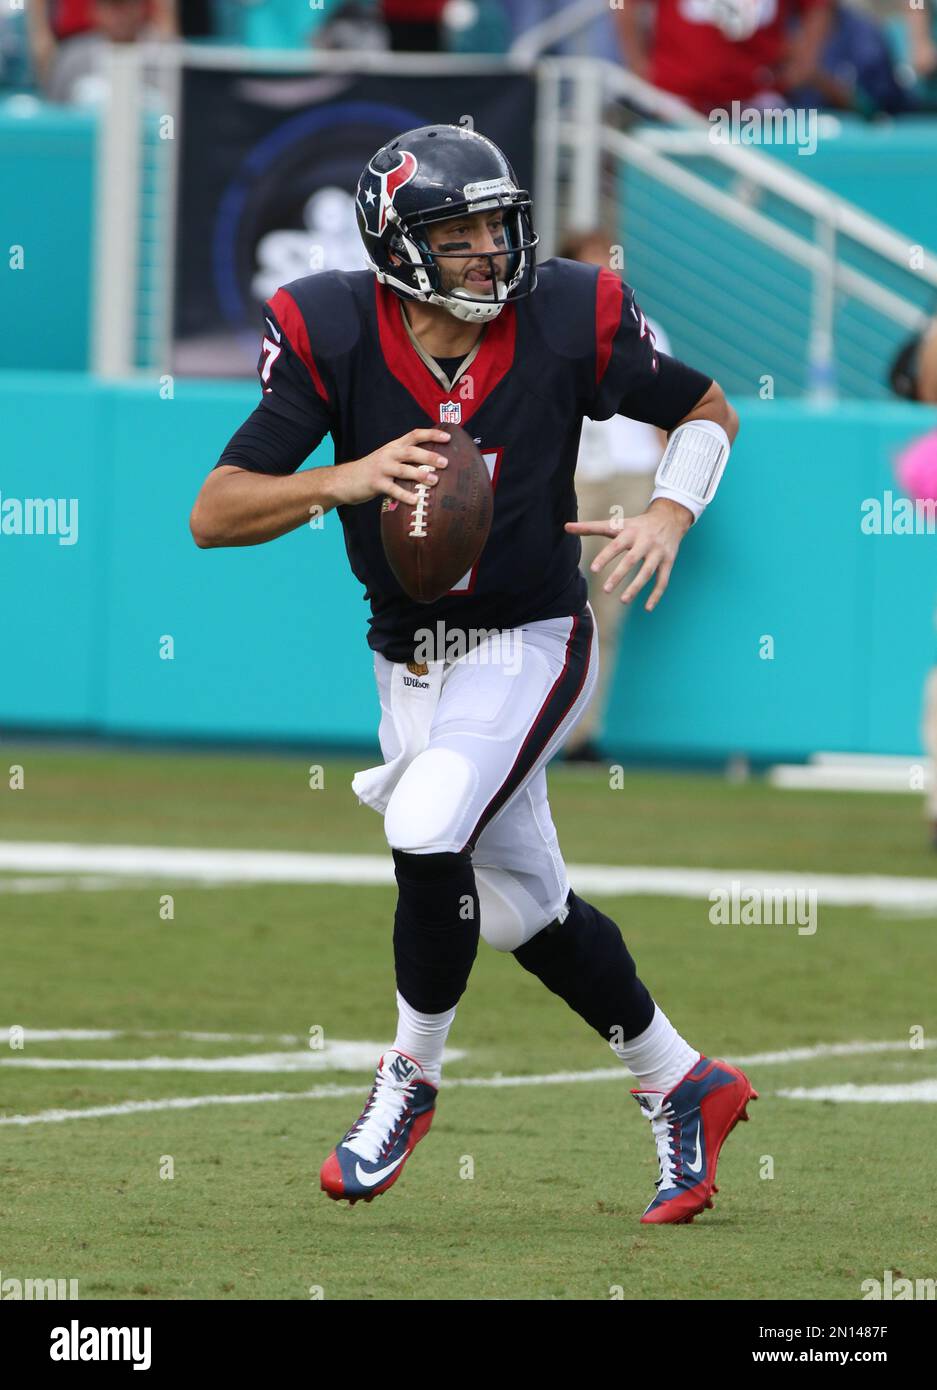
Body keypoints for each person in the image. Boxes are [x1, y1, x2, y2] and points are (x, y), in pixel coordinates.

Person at [189, 124, 755, 1225]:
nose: (491, 253)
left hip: (535, 633)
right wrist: (345, 477)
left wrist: (671, 511)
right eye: (459, 235)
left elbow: (705, 407)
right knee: (517, 911)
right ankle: (684, 1080)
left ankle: (408, 1075)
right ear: (396, 246)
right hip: (407, 657)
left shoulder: (566, 312)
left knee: (430, 821)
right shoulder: (330, 327)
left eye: (498, 226)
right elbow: (213, 512)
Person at [560, 229, 671, 763]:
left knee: (608, 610)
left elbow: (675, 416)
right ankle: (534, 727)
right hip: (575, 479)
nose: (609, 269)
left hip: (632, 481)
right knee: (549, 605)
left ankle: (583, 734)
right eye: (595, 260)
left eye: (612, 259)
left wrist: (672, 500)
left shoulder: (646, 330)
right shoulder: (549, 331)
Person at [614, 0, 832, 114]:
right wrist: (637, 64)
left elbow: (819, 7)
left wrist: (804, 63)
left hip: (755, 103)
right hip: (673, 102)